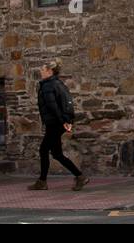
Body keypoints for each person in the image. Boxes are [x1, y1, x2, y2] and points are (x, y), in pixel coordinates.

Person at [28, 59, 89, 191]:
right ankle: (79, 176)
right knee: (56, 154)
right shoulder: (58, 83)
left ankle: (43, 182)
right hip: (58, 122)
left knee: (44, 150)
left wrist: (63, 122)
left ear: (49, 71)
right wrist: (66, 122)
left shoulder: (48, 85)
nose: (40, 72)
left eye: (43, 70)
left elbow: (53, 106)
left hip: (55, 123)